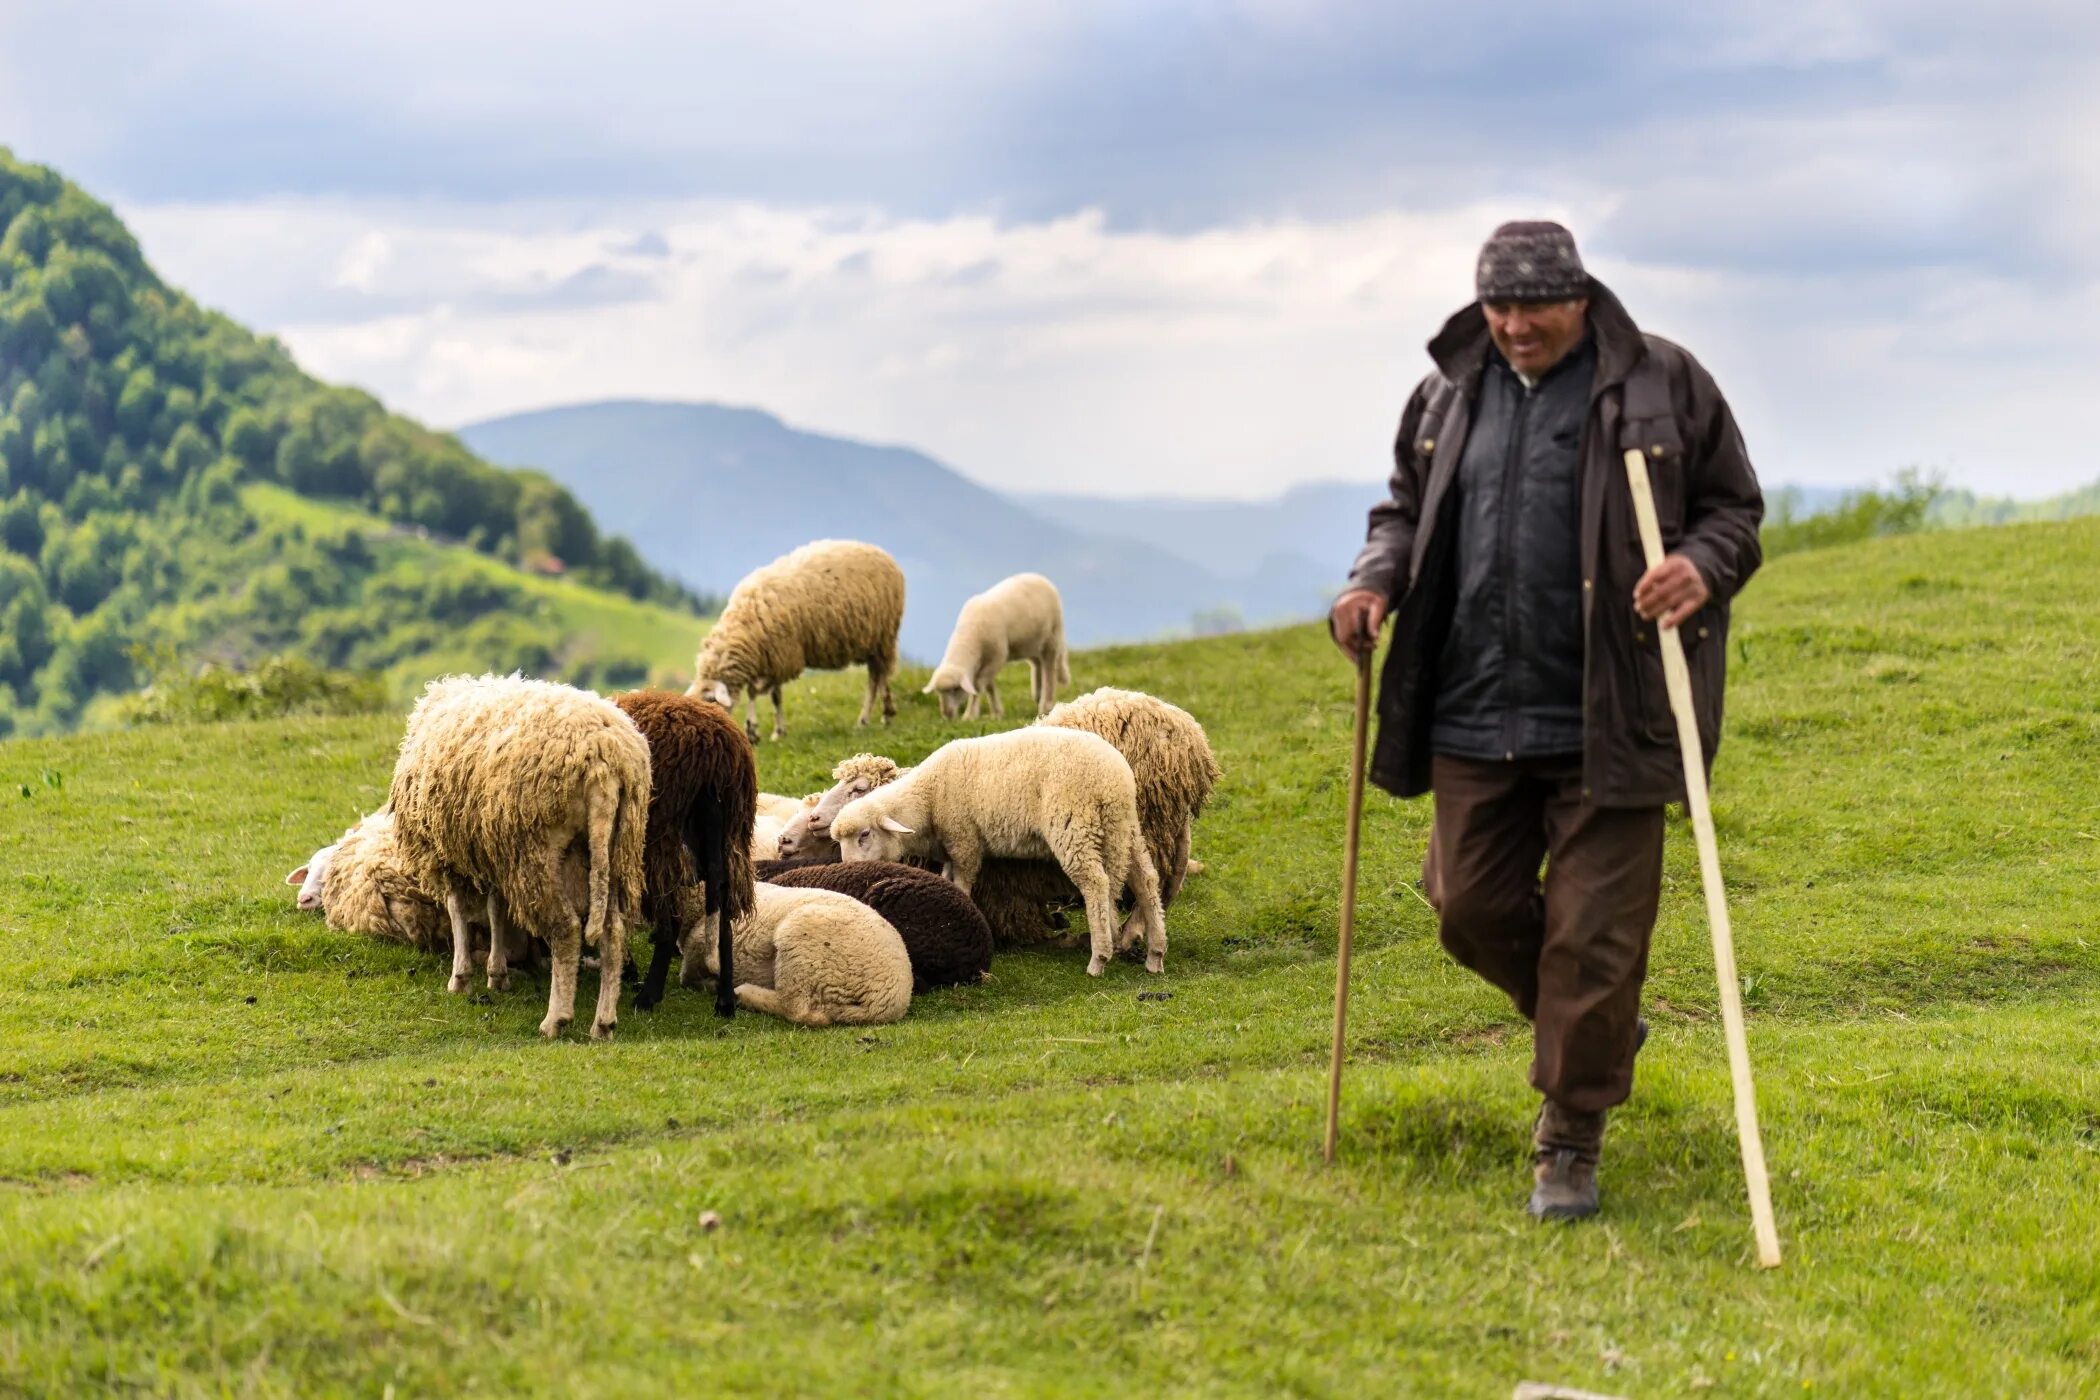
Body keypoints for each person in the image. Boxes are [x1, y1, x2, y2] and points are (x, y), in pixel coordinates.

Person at [1330, 221, 1763, 1220]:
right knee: (1466, 905)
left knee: (1593, 940)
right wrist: (1371, 581)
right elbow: (1401, 510)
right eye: (1499, 306)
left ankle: (1569, 1136)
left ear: (1579, 296)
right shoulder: (1448, 392)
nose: (1516, 325)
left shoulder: (1663, 382)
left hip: (1616, 707)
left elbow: (1736, 509)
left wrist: (1699, 563)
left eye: (1535, 306)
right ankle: (1596, 1028)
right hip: (1472, 704)